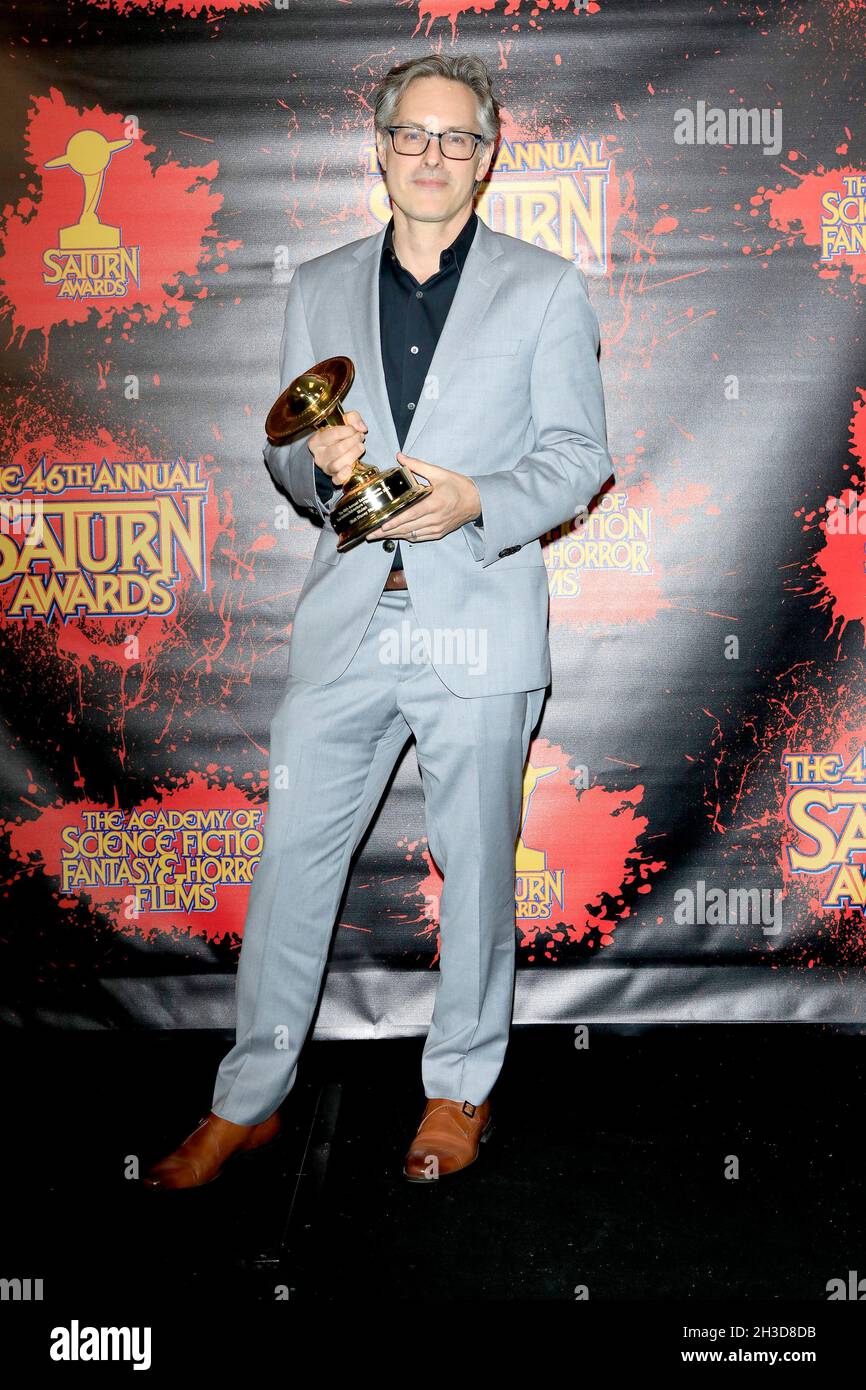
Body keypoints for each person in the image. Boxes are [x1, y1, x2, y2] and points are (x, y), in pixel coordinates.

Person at [144, 52, 614, 1190]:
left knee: (476, 871)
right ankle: (248, 1099)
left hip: (479, 617)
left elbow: (577, 456)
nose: (433, 156)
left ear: (487, 156)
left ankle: (458, 1089)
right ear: (381, 146)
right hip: (347, 625)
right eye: (413, 134)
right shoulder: (313, 285)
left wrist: (477, 502)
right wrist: (315, 465)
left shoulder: (546, 286)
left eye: (457, 139)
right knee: (290, 865)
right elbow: (280, 451)